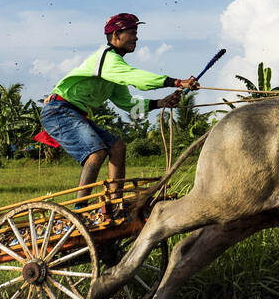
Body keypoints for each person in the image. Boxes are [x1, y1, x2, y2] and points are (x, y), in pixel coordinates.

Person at [40, 13, 198, 220]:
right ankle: (79, 210)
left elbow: (128, 104)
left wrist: (159, 103)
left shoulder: (115, 73)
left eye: (136, 33)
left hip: (75, 114)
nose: (136, 38)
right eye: (132, 33)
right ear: (116, 35)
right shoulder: (107, 60)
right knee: (96, 153)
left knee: (117, 147)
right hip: (58, 110)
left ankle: (115, 202)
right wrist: (176, 82)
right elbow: (135, 77)